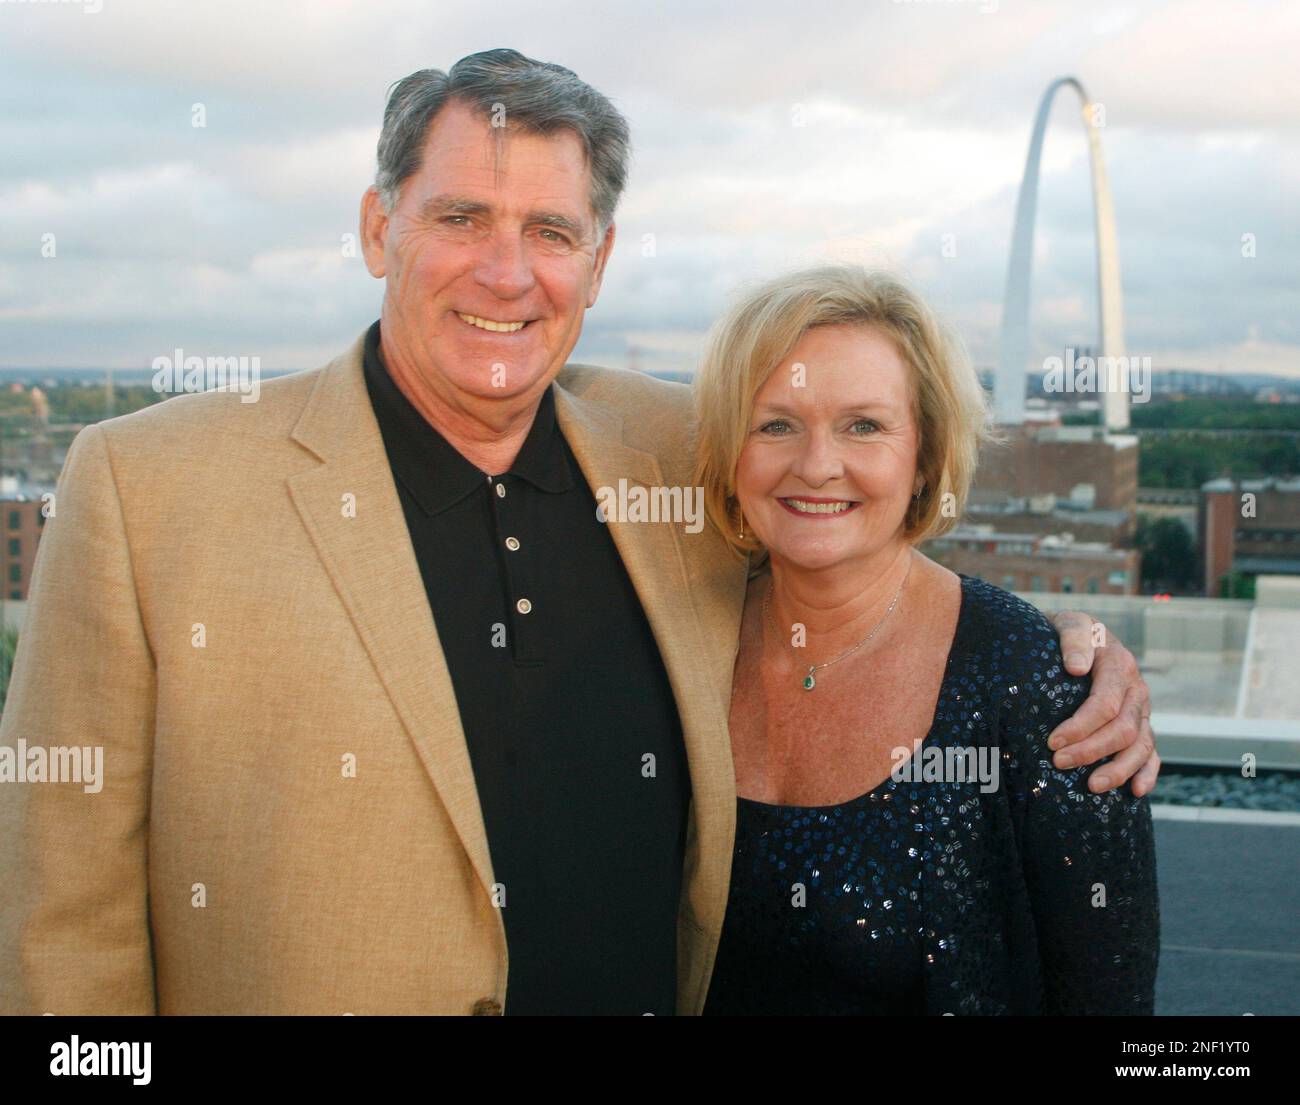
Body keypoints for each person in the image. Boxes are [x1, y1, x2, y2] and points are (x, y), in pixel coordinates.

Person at [0, 50, 1157, 1016]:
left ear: (597, 263)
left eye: (551, 231)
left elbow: (842, 516)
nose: (506, 272)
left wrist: (1055, 649)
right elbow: (60, 923)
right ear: (376, 227)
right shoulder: (151, 487)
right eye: (462, 216)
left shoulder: (671, 452)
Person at [693, 266, 1159, 1014]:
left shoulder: (1041, 691)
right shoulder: (681, 640)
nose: (816, 464)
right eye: (775, 422)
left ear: (924, 461)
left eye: (864, 425)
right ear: (731, 449)